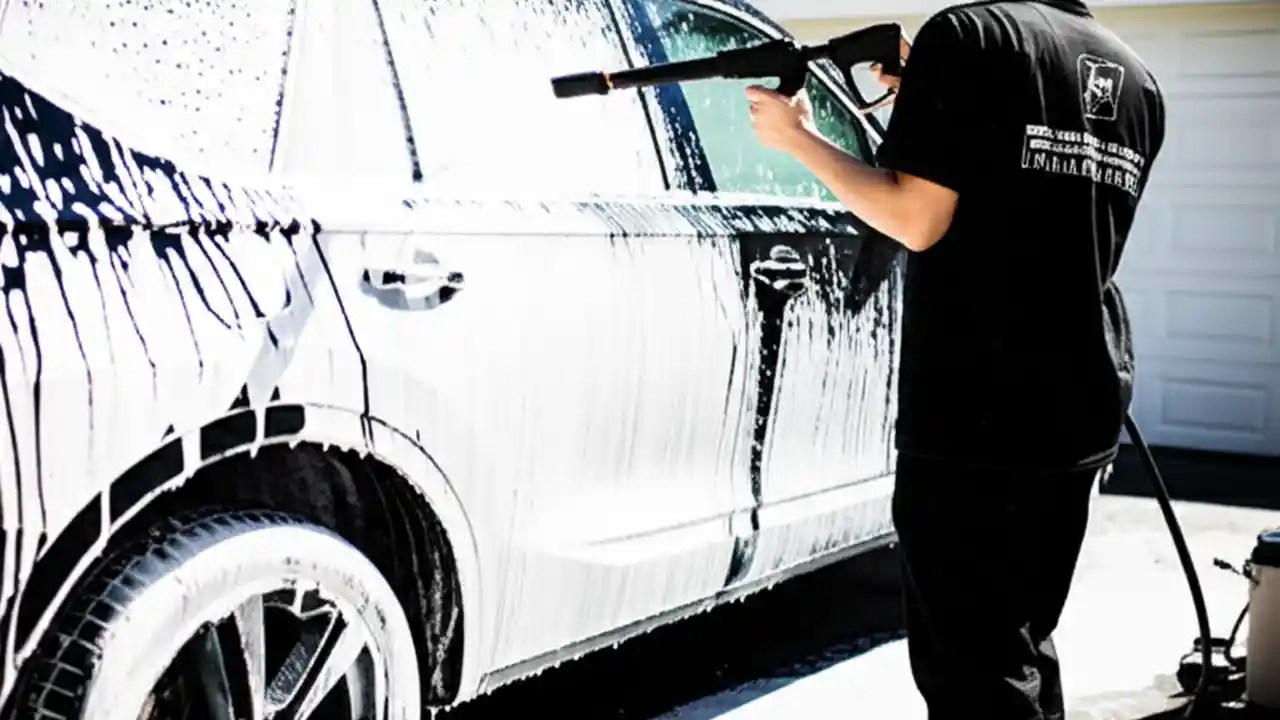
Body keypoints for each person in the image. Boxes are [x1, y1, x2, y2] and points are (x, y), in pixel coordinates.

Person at [745, 1, 1166, 718]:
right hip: (1080, 405)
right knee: (1021, 645)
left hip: (977, 411)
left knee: (974, 674)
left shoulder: (968, 34)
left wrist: (797, 140)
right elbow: (1030, 193)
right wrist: (936, 99)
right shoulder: (1138, 81)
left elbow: (916, 218)